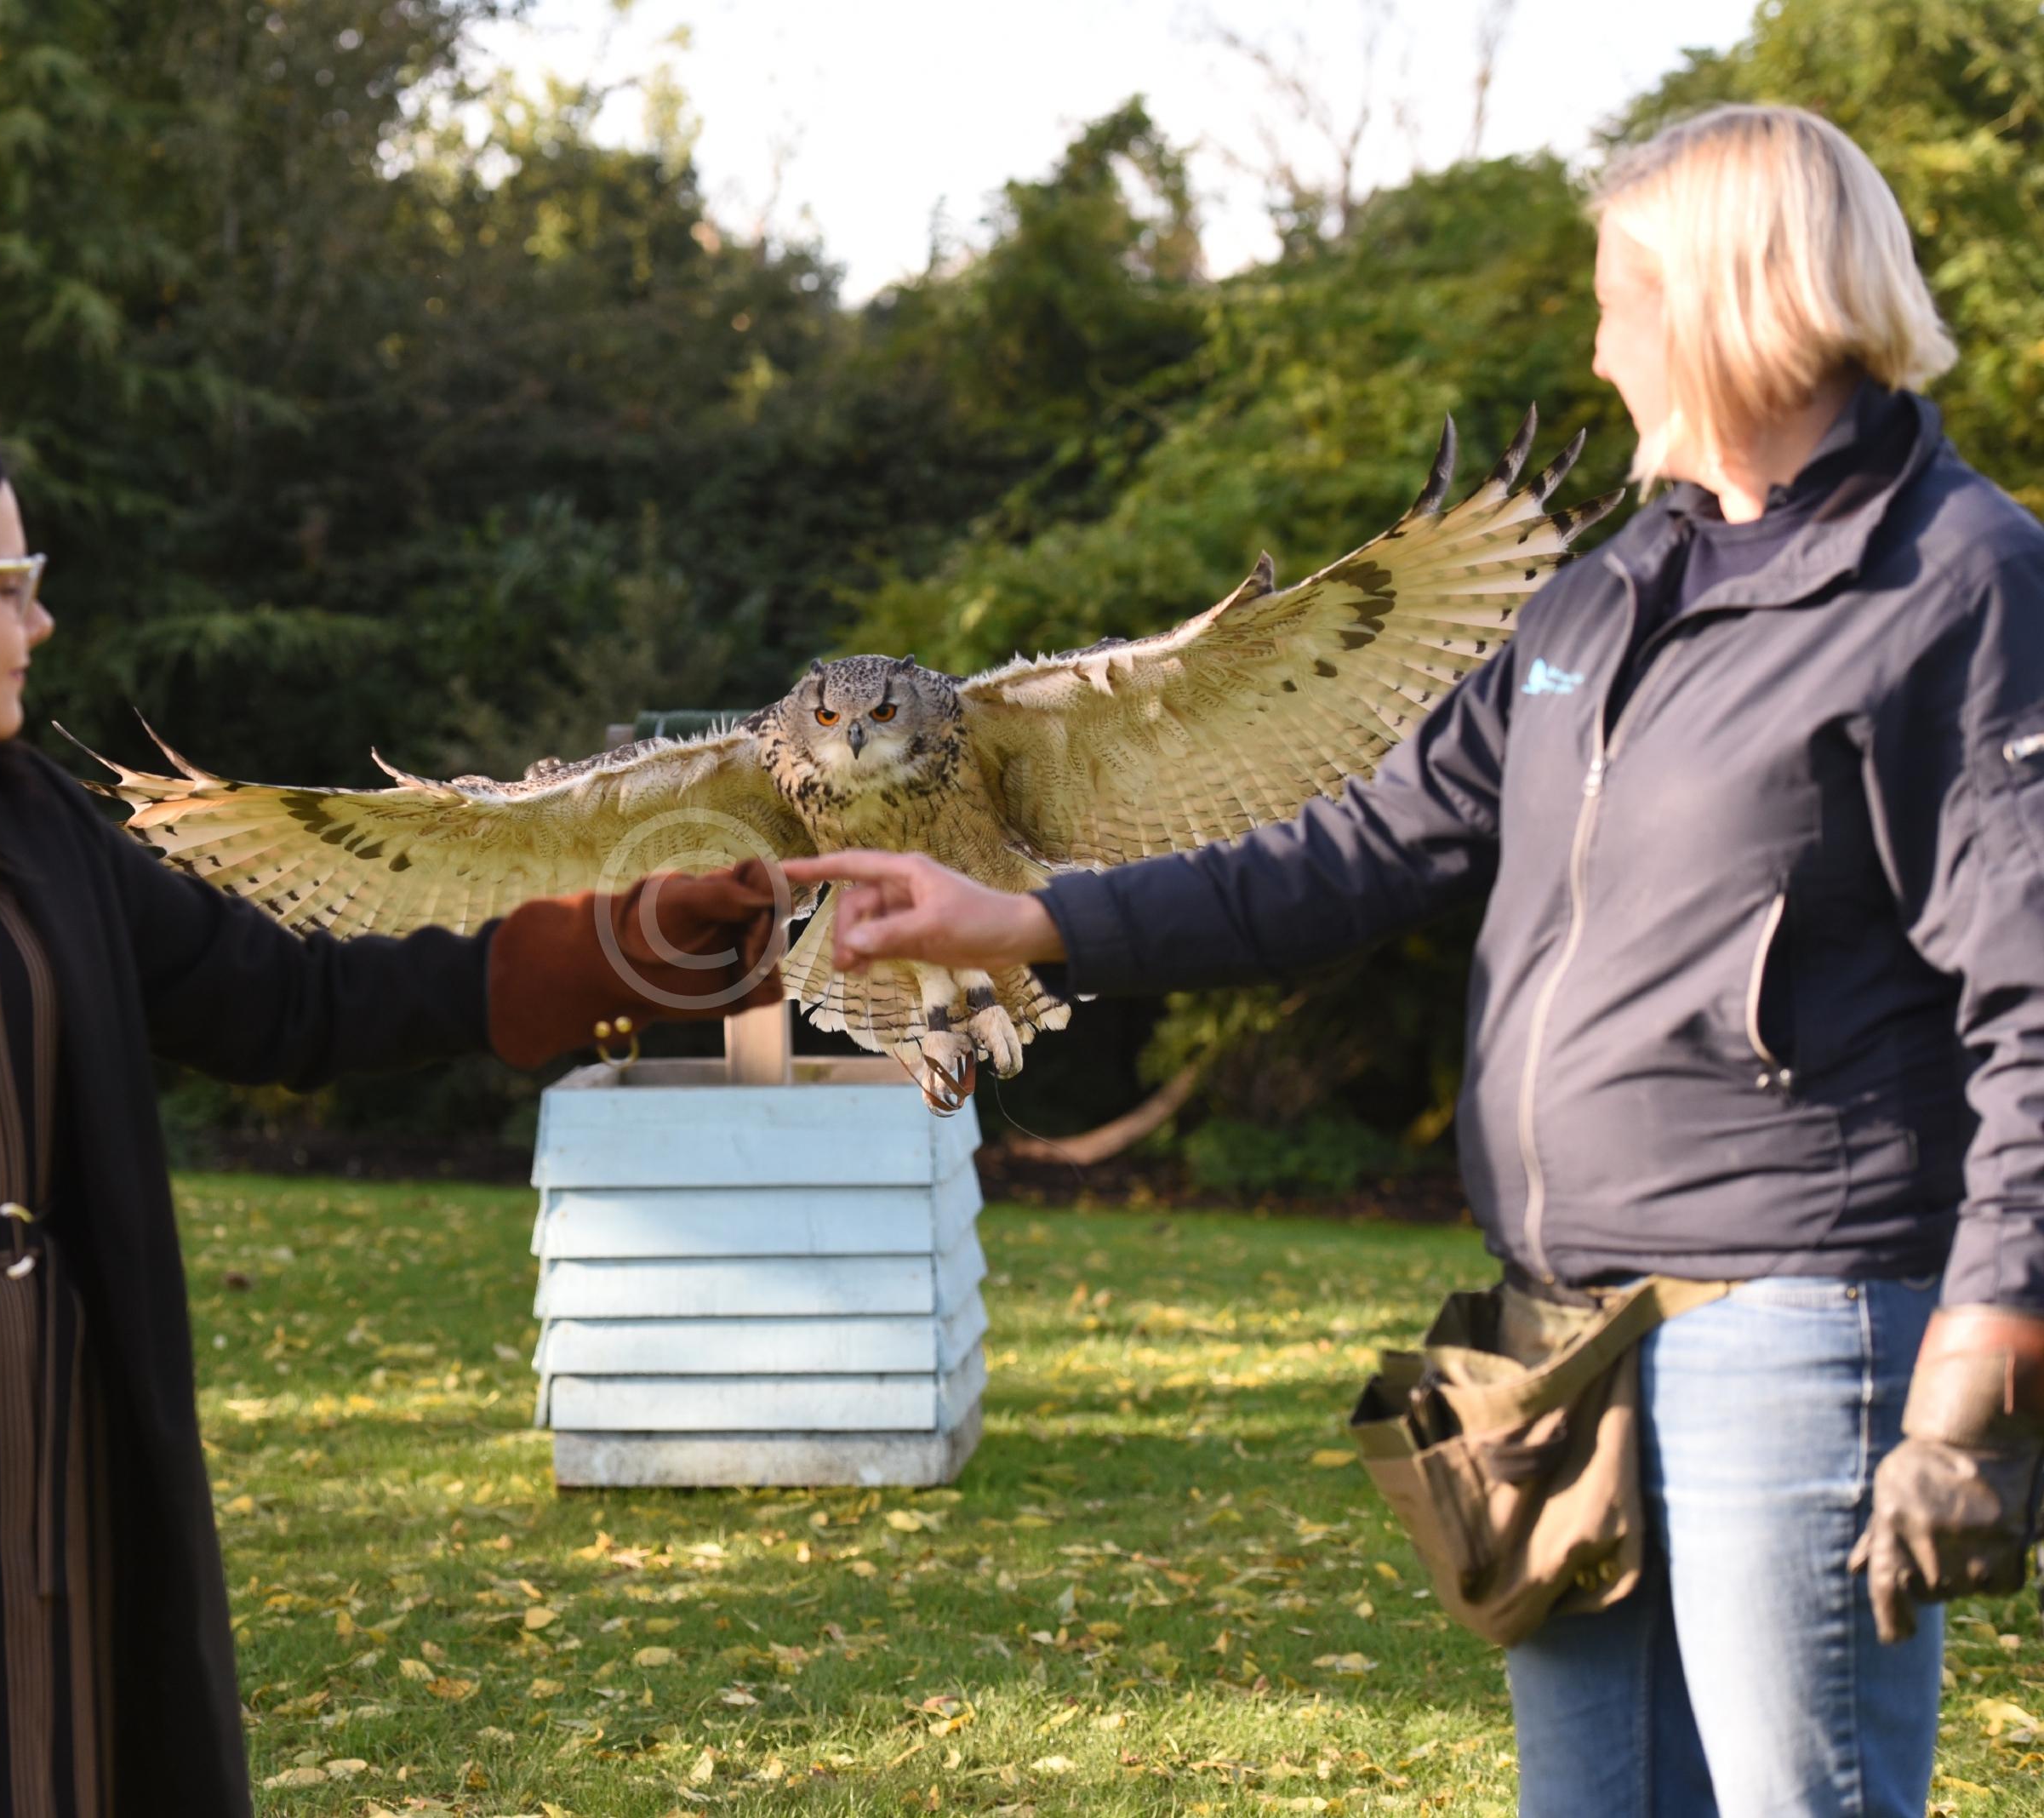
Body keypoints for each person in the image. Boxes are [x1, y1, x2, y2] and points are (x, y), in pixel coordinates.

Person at [789, 104, 2044, 1818]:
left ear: (1728, 301)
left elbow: (2029, 1003)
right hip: (1550, 1333)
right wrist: (1032, 919)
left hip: (1797, 1318)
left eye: (1619, 296)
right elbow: (1363, 850)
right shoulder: (1603, 598)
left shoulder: (1954, 584)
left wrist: (1984, 1353)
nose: (1598, 348)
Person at [0, 392, 781, 1817]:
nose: (38, 625)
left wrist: (611, 948)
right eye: (8, 586)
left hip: (62, 1478)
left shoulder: (35, 833)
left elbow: (292, 1003)